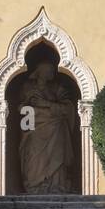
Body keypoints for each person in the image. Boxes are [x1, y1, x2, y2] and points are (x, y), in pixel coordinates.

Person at [18, 61, 76, 194]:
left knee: (57, 156)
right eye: (48, 70)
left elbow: (68, 108)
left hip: (56, 129)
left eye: (52, 70)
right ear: (39, 72)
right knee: (33, 156)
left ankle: (56, 185)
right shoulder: (27, 88)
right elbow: (22, 108)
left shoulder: (57, 88)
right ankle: (34, 185)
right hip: (33, 128)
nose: (51, 73)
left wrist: (45, 104)